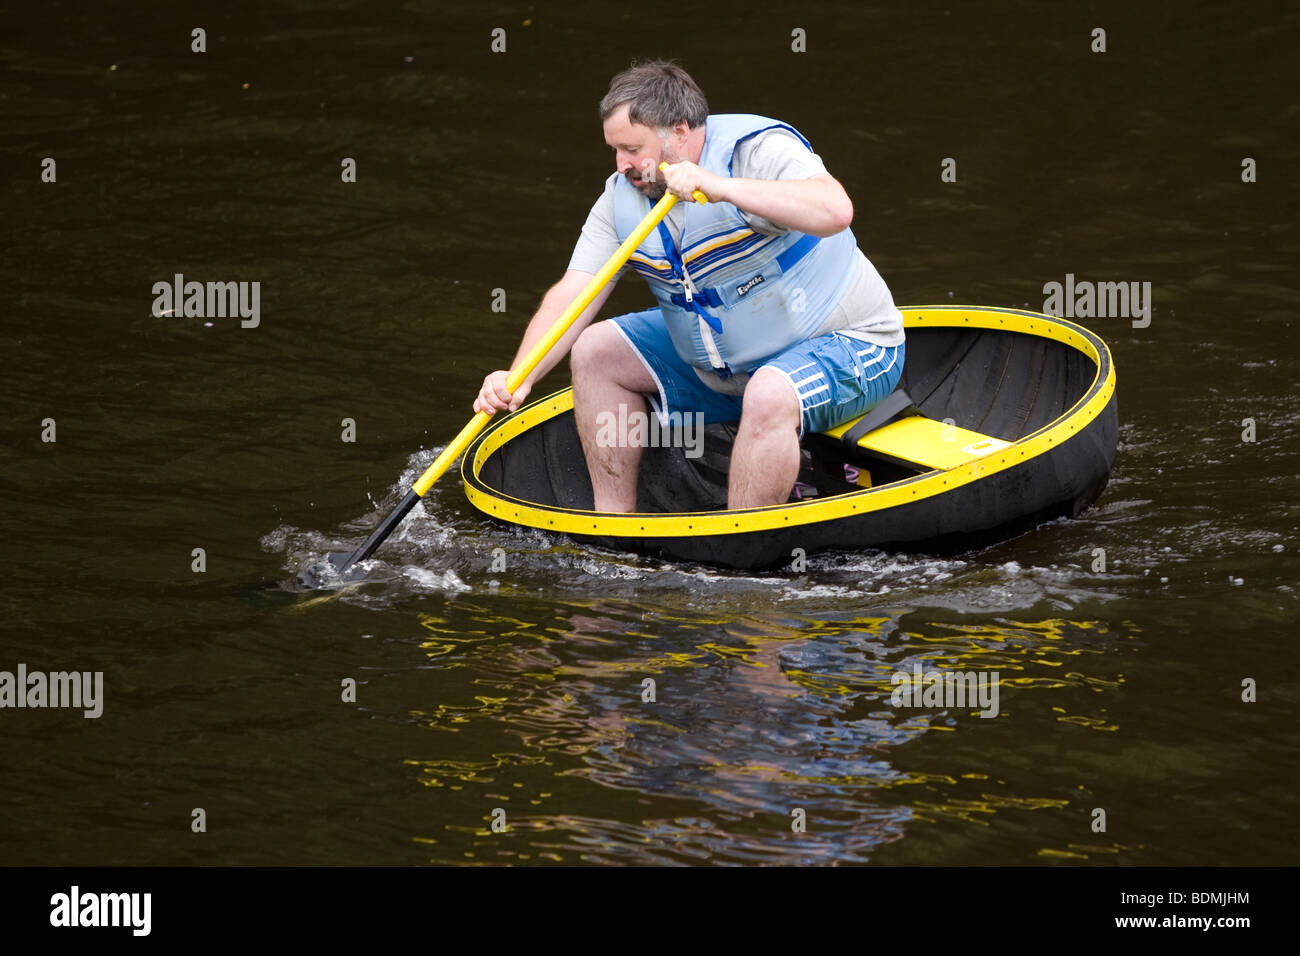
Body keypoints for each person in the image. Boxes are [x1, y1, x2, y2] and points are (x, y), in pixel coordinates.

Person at [474, 60, 905, 512]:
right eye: (614, 150)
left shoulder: (756, 151)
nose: (621, 165)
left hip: (854, 348)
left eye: (631, 149)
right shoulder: (621, 197)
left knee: (770, 390)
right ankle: (613, 530)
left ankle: (741, 547)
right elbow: (573, 293)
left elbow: (835, 210)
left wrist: (720, 188)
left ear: (679, 131)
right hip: (726, 373)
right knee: (595, 351)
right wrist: (518, 376)